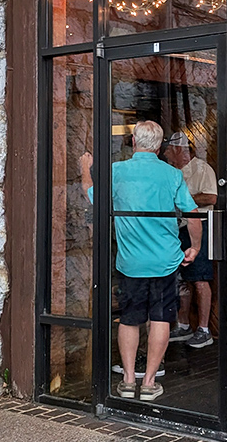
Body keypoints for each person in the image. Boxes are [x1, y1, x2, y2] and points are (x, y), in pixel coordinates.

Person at [80, 120, 201, 402]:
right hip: (165, 261)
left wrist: (85, 169)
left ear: (133, 142)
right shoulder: (172, 174)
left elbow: (92, 196)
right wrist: (194, 247)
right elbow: (193, 214)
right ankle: (148, 383)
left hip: (131, 262)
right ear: (159, 147)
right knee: (160, 319)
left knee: (130, 319)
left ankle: (127, 379)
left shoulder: (116, 171)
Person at [164, 131, 218, 349]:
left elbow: (211, 197)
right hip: (178, 229)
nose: (167, 155)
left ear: (179, 150)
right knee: (183, 279)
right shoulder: (173, 171)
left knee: (200, 279)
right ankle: (184, 324)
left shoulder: (202, 169)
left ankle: (204, 330)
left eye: (169, 150)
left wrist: (184, 199)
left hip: (198, 228)